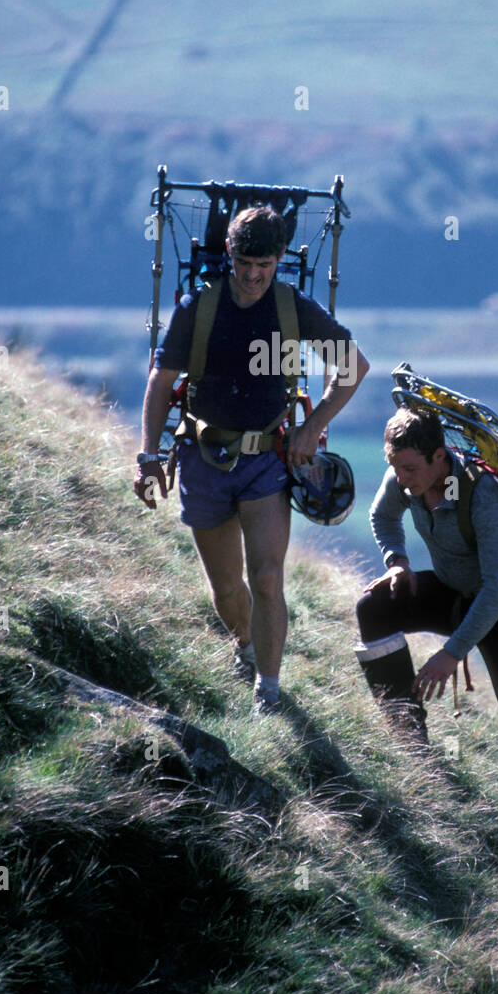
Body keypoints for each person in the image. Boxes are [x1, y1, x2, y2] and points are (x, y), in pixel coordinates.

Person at [135, 205, 369, 713]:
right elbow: (161, 382)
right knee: (226, 588)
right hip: (203, 458)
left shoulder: (292, 308)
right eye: (245, 262)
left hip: (266, 461)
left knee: (267, 577)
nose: (254, 274)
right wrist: (148, 456)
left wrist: (312, 426)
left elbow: (354, 366)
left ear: (280, 258)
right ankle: (243, 644)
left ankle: (269, 689)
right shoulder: (198, 307)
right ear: (229, 255)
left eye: (264, 263)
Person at [355, 405, 498, 843]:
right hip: (454, 595)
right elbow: (382, 516)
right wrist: (397, 561)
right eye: (394, 465)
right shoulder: (406, 477)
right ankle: (408, 738)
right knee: (374, 607)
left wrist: (451, 653)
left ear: (439, 457)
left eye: (409, 467)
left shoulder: (486, 497)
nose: (400, 476)